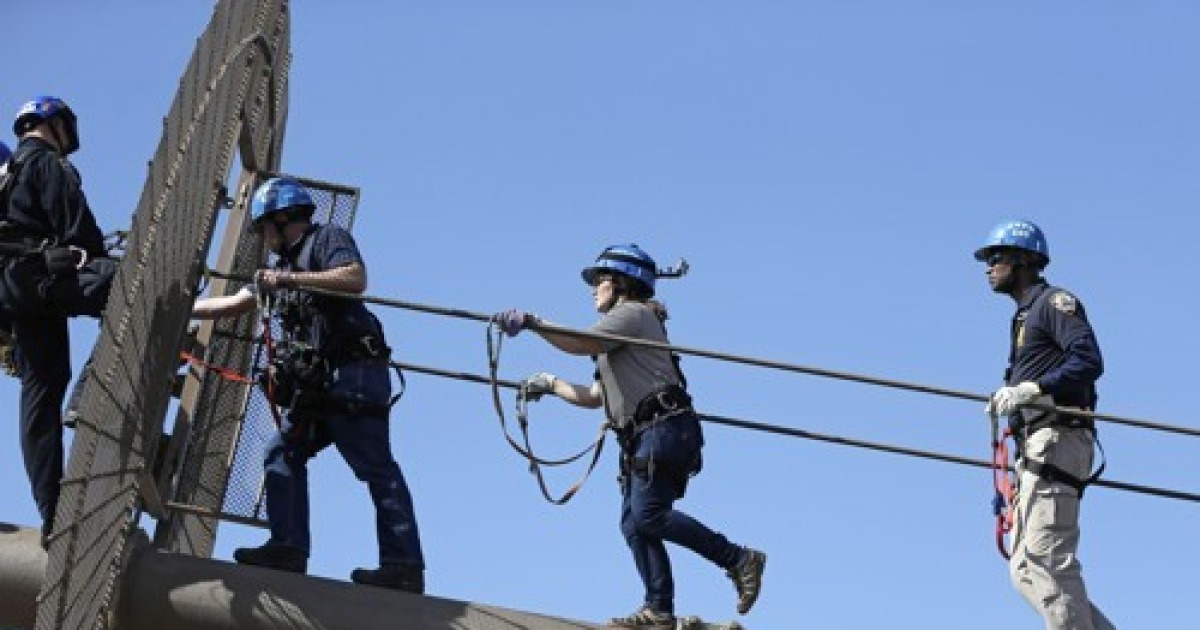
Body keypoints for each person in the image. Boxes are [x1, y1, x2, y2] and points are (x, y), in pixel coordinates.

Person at [495, 244, 766, 629]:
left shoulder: (631, 315)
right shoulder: (618, 338)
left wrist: (534, 322)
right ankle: (659, 610)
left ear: (622, 283)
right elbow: (595, 397)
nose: (593, 288)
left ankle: (737, 558)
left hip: (663, 429)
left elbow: (580, 342)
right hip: (652, 434)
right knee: (635, 523)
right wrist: (550, 384)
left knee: (648, 515)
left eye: (599, 280)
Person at [191, 177, 425, 593]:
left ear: (283, 219)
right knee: (282, 453)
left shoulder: (326, 240)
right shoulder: (278, 270)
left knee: (375, 467)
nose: (265, 238)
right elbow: (231, 306)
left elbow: (355, 278)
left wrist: (291, 282)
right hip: (318, 386)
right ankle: (288, 548)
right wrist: (182, 308)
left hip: (354, 375)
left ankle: (403, 564)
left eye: (265, 228)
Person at [976, 220, 1116, 630]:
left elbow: (1089, 360)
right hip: (1036, 446)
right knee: (1024, 569)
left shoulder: (1054, 303)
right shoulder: (1024, 316)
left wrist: (1035, 388)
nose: (988, 267)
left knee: (1047, 563)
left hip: (1058, 439)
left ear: (1024, 260)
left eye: (995, 257)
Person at [0, 96, 119, 544]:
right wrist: (102, 262)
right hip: (41, 280)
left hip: (13, 292)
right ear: (55, 124)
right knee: (130, 285)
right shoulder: (46, 164)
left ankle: (55, 515)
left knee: (39, 399)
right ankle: (88, 393)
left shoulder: (6, 173)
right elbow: (79, 231)